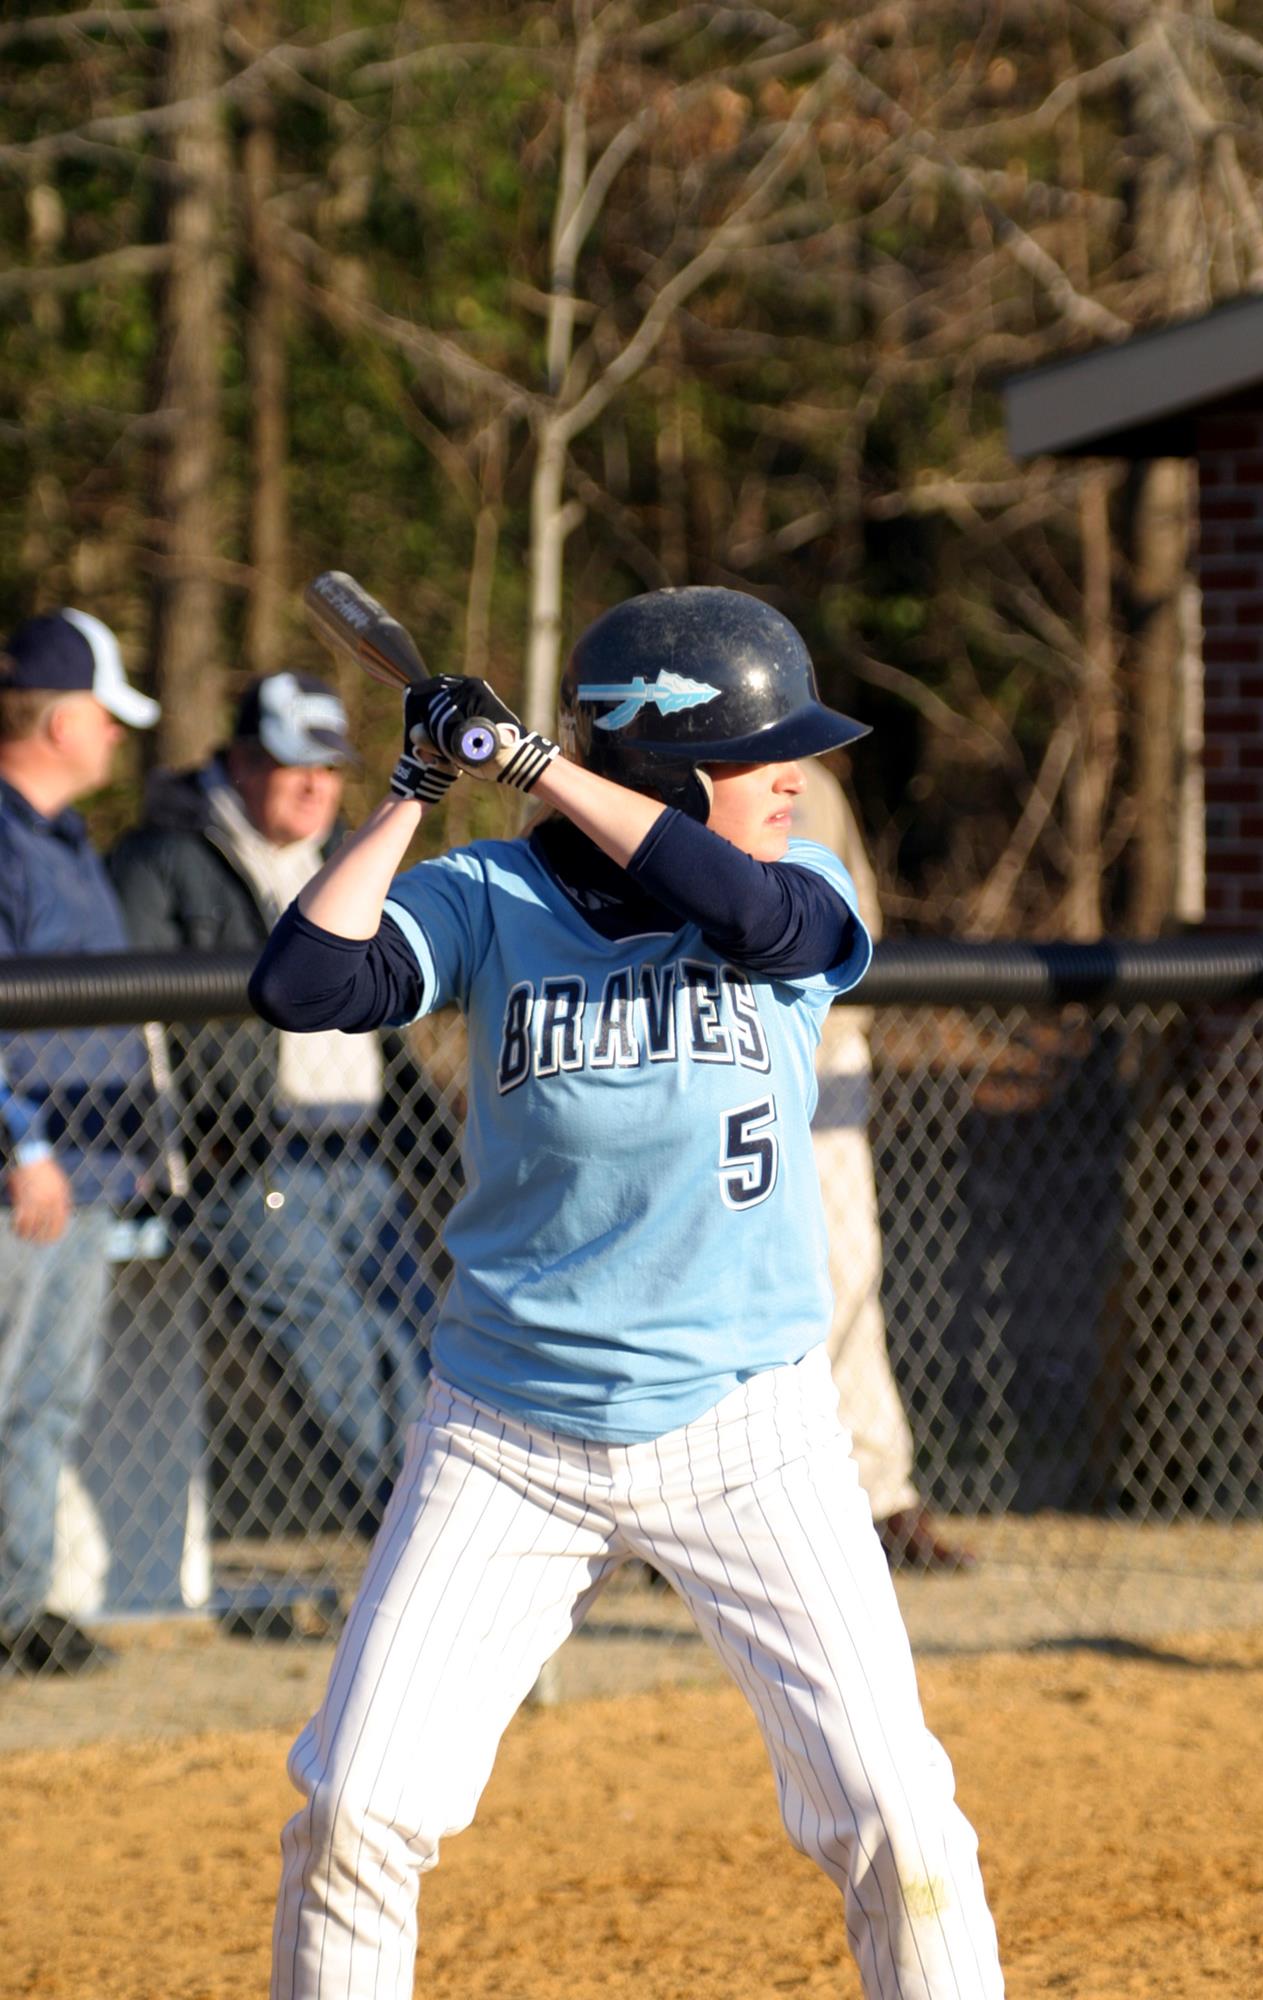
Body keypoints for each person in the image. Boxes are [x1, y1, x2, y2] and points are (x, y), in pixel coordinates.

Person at [251, 587, 1005, 2000]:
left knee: (898, 1818)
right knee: (353, 1807)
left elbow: (751, 917)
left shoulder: (800, 885)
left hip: (751, 1433)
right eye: (760, 752)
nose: (795, 778)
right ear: (668, 762)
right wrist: (417, 786)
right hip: (507, 1435)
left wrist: (538, 765)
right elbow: (304, 982)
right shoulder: (494, 898)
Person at [107, 671, 431, 1534]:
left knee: (420, 1350)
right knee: (339, 1366)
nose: (316, 787)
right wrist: (165, 1147)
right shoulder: (166, 858)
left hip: (360, 1156)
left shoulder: (341, 858)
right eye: (295, 766)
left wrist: (429, 1134)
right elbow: (124, 1024)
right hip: (245, 1160)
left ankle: (427, 1525)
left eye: (329, 768)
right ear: (243, 762)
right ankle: (410, 1535)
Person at [0, 607, 160, 1678]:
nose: (115, 737)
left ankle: (16, 1608)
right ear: (60, 721)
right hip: (28, 1177)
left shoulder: (60, 838)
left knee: (47, 1400)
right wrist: (23, 1143)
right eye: (106, 716)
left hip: (85, 1171)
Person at [793, 757, 976, 1573]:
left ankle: (875, 1495)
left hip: (816, 1059)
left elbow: (850, 924)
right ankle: (671, 1522)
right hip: (679, 1069)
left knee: (844, 1269)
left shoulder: (808, 782)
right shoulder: (630, 768)